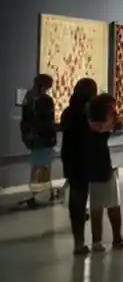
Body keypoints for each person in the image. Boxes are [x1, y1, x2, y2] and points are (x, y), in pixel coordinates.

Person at [60, 78, 97, 256]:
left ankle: (78, 242)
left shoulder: (68, 112)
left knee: (76, 204)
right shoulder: (89, 113)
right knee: (88, 200)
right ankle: (93, 240)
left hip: (71, 161)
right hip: (87, 160)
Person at [86, 93, 123, 252]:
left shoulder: (89, 122)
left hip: (96, 167)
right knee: (112, 205)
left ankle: (100, 241)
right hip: (102, 168)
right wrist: (113, 116)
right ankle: (114, 239)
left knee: (98, 206)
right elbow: (110, 126)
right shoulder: (97, 126)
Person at [19, 74, 58, 208]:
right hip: (45, 138)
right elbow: (48, 121)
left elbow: (25, 120)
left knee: (36, 167)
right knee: (44, 167)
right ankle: (42, 195)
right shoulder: (45, 100)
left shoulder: (28, 97)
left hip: (33, 139)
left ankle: (37, 194)